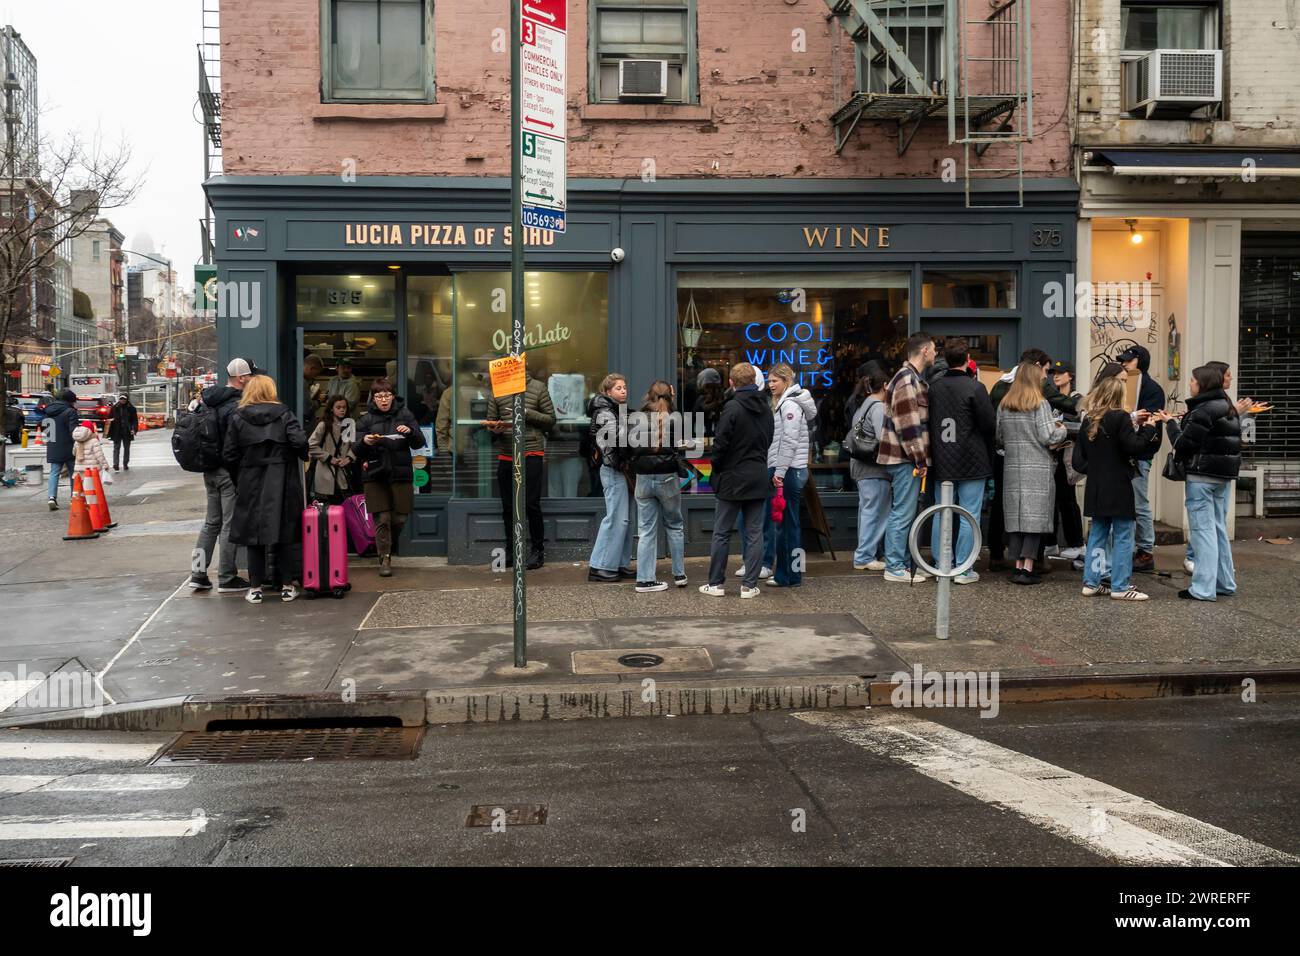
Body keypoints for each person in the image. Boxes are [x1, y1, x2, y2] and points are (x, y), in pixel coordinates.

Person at [989, 348, 1078, 570]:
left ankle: (1016, 564)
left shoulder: (1004, 404)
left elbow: (998, 437)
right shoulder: (1040, 404)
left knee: (1015, 518)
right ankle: (1028, 567)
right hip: (1037, 467)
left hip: (1011, 467)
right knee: (1034, 520)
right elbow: (1049, 436)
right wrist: (1063, 429)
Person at [221, 375, 308, 604]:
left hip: (250, 479)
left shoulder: (239, 416)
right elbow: (299, 442)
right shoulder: (284, 414)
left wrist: (239, 477)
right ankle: (287, 586)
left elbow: (229, 454)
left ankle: (256, 588)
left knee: (253, 536)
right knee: (285, 533)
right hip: (282, 478)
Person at [1072, 376, 1161, 601]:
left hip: (1096, 485)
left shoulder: (1088, 419)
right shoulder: (1120, 417)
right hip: (1118, 484)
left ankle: (1091, 582)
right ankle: (1120, 586)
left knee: (1098, 534)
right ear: (1119, 395)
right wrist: (1148, 429)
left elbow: (1079, 460)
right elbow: (1134, 447)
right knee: (1123, 535)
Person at [1159, 364, 1240, 602]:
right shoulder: (1227, 406)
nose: (1190, 384)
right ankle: (1225, 582)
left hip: (1201, 477)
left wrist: (1170, 425)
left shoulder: (1203, 410)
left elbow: (1183, 445)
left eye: (1193, 381)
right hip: (1221, 477)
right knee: (1217, 530)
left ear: (1202, 384)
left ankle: (1203, 588)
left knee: (1203, 532)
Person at [700, 362, 774, 598]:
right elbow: (769, 439)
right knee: (755, 533)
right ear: (754, 381)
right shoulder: (767, 408)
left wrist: (717, 470)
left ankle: (716, 584)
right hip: (758, 474)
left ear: (731, 383)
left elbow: (720, 446)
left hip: (732, 477)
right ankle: (749, 585)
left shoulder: (732, 408)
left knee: (721, 532)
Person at [927, 339, 996, 584]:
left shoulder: (934, 387)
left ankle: (940, 565)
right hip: (971, 459)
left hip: (942, 458)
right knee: (969, 514)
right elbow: (989, 424)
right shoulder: (975, 388)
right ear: (968, 359)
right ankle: (963, 568)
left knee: (940, 511)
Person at [189, 359, 255, 592]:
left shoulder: (209, 400)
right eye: (250, 376)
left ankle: (198, 573)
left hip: (209, 469)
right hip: (228, 472)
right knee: (228, 525)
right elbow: (236, 444)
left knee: (210, 523)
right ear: (242, 378)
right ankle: (227, 577)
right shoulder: (236, 405)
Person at [877, 333, 935, 584]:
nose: (935, 353)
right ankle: (894, 566)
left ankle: (904, 564)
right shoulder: (906, 379)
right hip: (904, 459)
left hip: (904, 458)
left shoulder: (911, 378)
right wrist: (920, 459)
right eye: (933, 349)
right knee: (903, 513)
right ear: (924, 351)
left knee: (906, 512)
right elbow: (908, 425)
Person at [485, 367, 556, 570]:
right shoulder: (497, 390)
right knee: (508, 506)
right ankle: (512, 550)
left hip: (531, 451)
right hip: (507, 452)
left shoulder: (537, 387)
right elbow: (491, 424)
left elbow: (551, 420)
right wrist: (495, 429)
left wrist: (526, 412)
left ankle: (537, 551)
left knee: (531, 504)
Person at [354, 378, 426, 577]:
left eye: (387, 395)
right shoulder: (365, 419)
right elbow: (355, 449)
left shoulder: (405, 414)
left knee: (400, 517)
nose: (383, 400)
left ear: (393, 396)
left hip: (400, 473)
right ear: (373, 398)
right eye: (379, 396)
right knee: (382, 518)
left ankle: (388, 544)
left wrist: (410, 432)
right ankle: (384, 557)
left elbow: (420, 442)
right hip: (375, 475)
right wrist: (365, 441)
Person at [628, 380, 688, 592]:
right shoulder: (675, 418)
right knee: (674, 525)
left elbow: (631, 449)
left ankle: (644, 580)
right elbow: (682, 444)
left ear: (648, 395)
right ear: (669, 396)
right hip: (667, 476)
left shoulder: (636, 418)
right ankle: (679, 574)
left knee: (645, 530)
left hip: (643, 477)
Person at [762, 364, 817, 588]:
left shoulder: (789, 404)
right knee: (791, 525)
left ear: (786, 381)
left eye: (775, 380)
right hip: (793, 470)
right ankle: (794, 575)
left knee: (786, 527)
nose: (770, 385)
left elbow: (790, 441)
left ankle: (787, 576)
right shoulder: (789, 402)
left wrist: (780, 472)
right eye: (769, 381)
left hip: (789, 472)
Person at [1116, 345, 1166, 573]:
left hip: (1140, 451)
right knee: (1125, 500)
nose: (1124, 364)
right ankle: (1132, 549)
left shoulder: (1152, 389)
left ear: (1140, 362)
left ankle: (1145, 552)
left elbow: (1150, 420)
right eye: (1123, 361)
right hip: (1122, 449)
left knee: (1138, 501)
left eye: (1128, 361)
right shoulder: (1121, 384)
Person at [588, 373, 635, 582]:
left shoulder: (617, 409)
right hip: (612, 467)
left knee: (625, 519)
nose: (623, 391)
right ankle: (600, 566)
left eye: (624, 387)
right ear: (608, 392)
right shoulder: (604, 410)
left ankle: (618, 562)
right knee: (616, 517)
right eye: (618, 388)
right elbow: (616, 439)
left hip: (620, 468)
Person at [848, 367, 890, 571]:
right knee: (876, 512)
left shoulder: (864, 404)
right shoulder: (878, 407)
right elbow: (884, 438)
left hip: (860, 467)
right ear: (884, 385)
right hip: (873, 468)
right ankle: (865, 555)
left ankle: (864, 553)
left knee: (867, 511)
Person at [1048, 360, 1085, 561]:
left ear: (1070, 375)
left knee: (1068, 500)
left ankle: (1076, 542)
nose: (1056, 376)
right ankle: (1051, 542)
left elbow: (1080, 425)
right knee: (1052, 500)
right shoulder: (1052, 398)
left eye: (1060, 373)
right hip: (1053, 456)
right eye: (1054, 372)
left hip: (1068, 456)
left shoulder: (1077, 399)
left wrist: (1061, 427)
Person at [307, 395, 356, 504]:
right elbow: (311, 445)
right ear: (331, 409)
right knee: (327, 509)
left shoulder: (349, 424)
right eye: (338, 407)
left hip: (343, 471)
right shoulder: (324, 424)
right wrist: (329, 458)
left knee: (344, 506)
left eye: (344, 407)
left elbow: (353, 446)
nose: (342, 410)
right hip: (326, 471)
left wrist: (349, 458)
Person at [41, 389, 80, 511]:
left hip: (53, 446)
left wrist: (52, 443)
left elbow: (46, 431)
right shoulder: (70, 412)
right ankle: (74, 498)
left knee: (54, 472)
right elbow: (73, 431)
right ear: (69, 400)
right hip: (69, 446)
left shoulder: (48, 411)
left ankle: (51, 497)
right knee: (73, 472)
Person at [106, 394, 138, 471]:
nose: (122, 400)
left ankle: (125, 463)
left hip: (127, 431)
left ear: (127, 400)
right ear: (119, 399)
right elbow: (109, 419)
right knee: (116, 448)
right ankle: (115, 464)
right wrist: (107, 431)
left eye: (124, 399)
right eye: (121, 399)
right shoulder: (114, 408)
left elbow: (134, 420)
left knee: (126, 448)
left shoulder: (131, 408)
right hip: (116, 431)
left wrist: (134, 429)